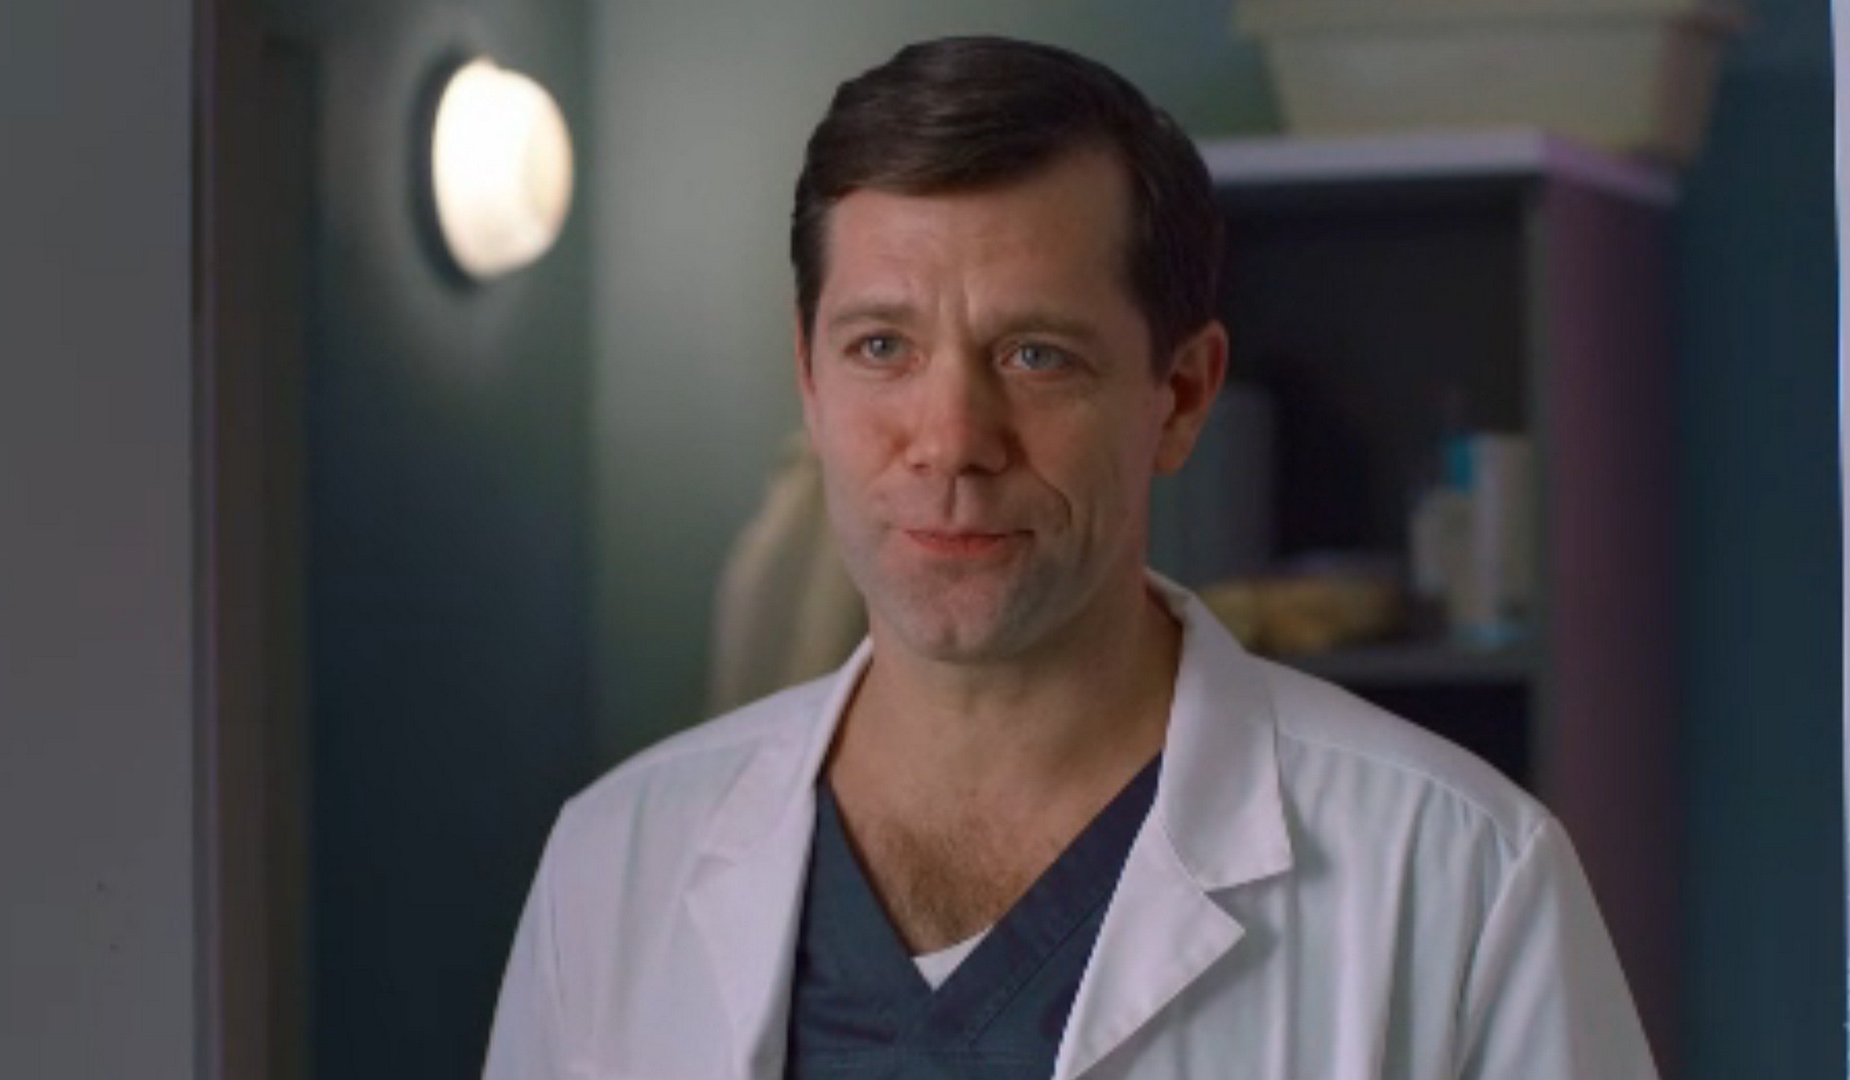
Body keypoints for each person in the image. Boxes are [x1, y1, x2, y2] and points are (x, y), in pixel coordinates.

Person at [483, 36, 1658, 1080]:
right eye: (882, 346)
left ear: (1180, 394)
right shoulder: (615, 861)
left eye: (1036, 355)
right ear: (809, 377)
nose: (952, 439)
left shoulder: (1457, 876)